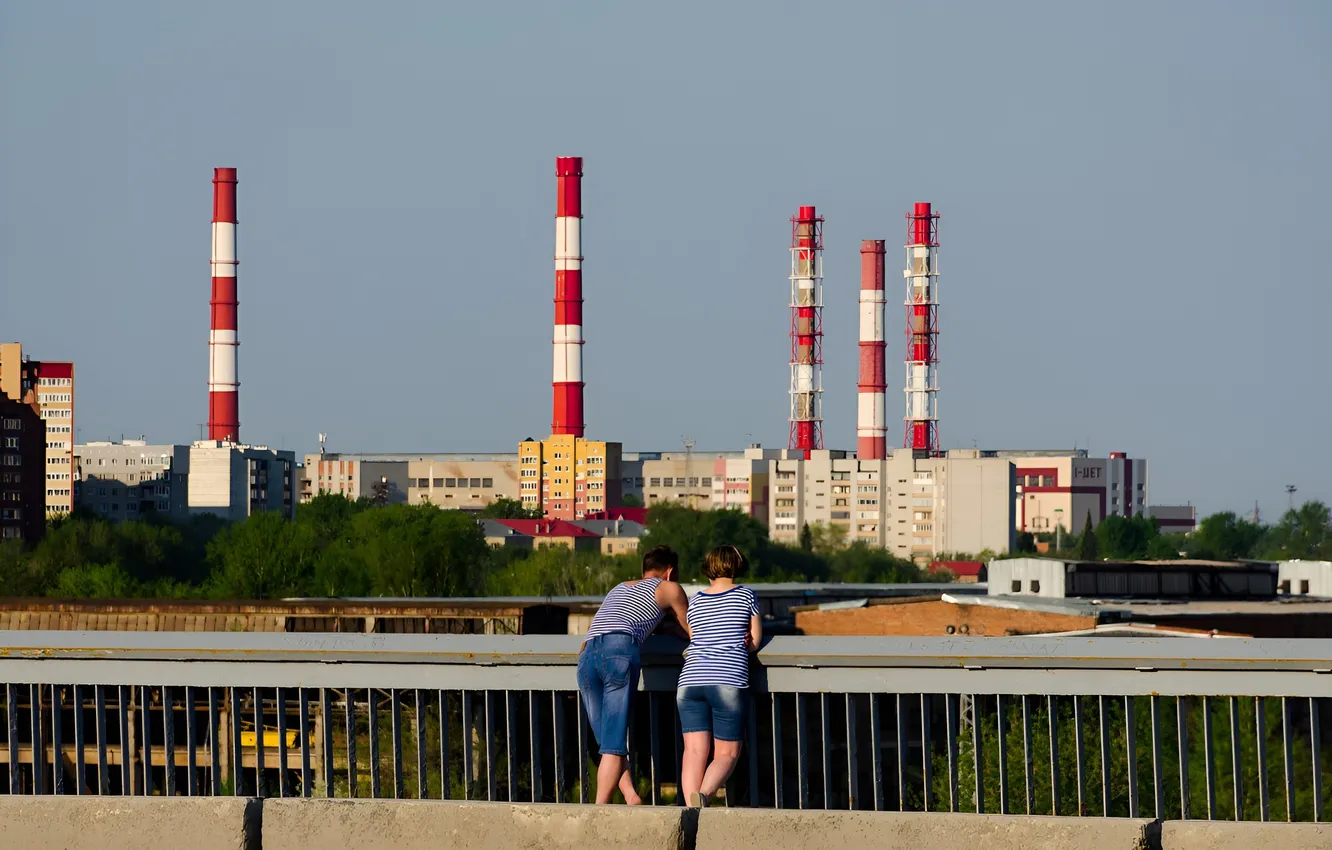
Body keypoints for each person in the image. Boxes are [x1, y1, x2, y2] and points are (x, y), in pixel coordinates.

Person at [576, 544, 690, 804]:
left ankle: (630, 796)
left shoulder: (619, 588)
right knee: (613, 743)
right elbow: (692, 628)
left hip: (587, 655)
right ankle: (599, 810)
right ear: (670, 571)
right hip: (619, 650)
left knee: (607, 739)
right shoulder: (668, 588)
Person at [676, 544, 762, 808]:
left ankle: (690, 814)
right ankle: (703, 796)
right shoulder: (746, 595)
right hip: (727, 679)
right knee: (727, 752)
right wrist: (742, 641)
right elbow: (755, 642)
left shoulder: (696, 599)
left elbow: (695, 636)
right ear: (736, 566)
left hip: (690, 680)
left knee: (693, 751)